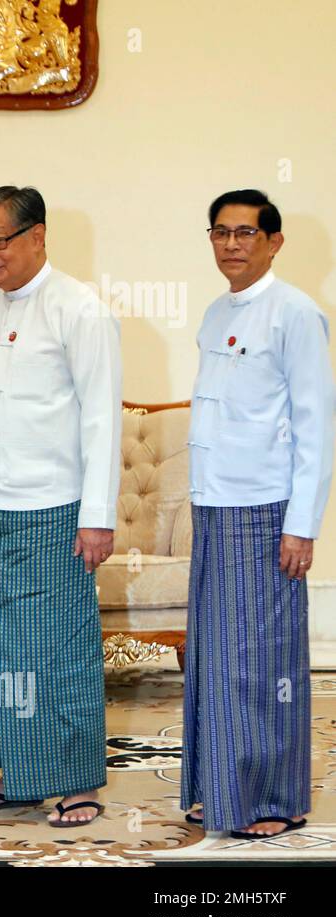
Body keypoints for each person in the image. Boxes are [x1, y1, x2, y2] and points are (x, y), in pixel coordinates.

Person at [0, 185, 121, 827]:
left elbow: (102, 420)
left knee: (55, 649)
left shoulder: (81, 309)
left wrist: (97, 515)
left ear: (37, 236)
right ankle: (15, 774)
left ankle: (75, 782)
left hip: (54, 509)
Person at [181, 189, 334, 839]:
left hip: (266, 507)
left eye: (246, 232)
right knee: (217, 656)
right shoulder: (218, 311)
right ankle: (219, 787)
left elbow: (316, 424)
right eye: (220, 231)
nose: (232, 244)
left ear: (273, 242)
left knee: (263, 661)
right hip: (214, 504)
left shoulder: (296, 313)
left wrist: (302, 524)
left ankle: (273, 797)